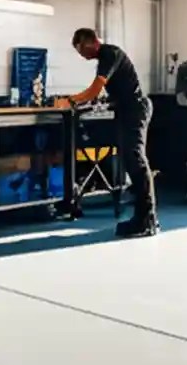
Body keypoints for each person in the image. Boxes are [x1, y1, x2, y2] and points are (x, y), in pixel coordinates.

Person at [55, 28, 159, 238]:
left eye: (82, 49)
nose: (82, 55)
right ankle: (143, 217)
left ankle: (148, 219)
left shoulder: (110, 54)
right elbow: (104, 91)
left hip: (136, 110)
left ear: (92, 42)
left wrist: (71, 100)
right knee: (132, 162)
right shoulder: (105, 57)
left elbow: (94, 89)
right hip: (126, 111)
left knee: (136, 161)